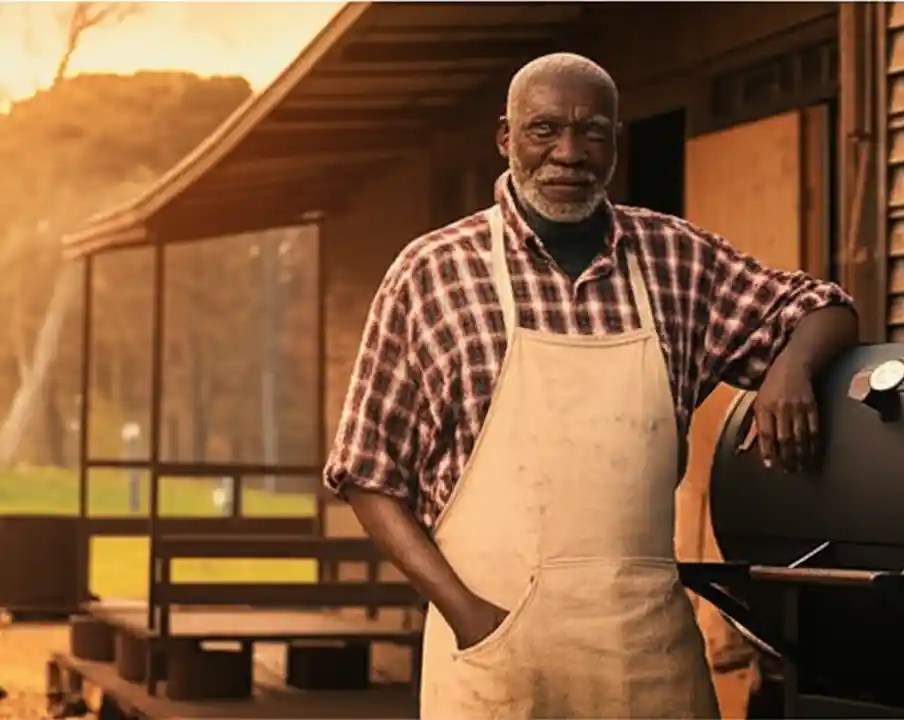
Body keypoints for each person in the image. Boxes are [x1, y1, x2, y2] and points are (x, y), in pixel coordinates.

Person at [322, 52, 859, 719]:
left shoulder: (676, 258)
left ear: (615, 142)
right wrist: (467, 616)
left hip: (646, 658)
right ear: (506, 138)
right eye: (545, 130)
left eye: (592, 132)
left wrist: (791, 369)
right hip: (494, 654)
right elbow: (365, 472)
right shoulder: (433, 272)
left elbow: (825, 308)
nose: (570, 153)